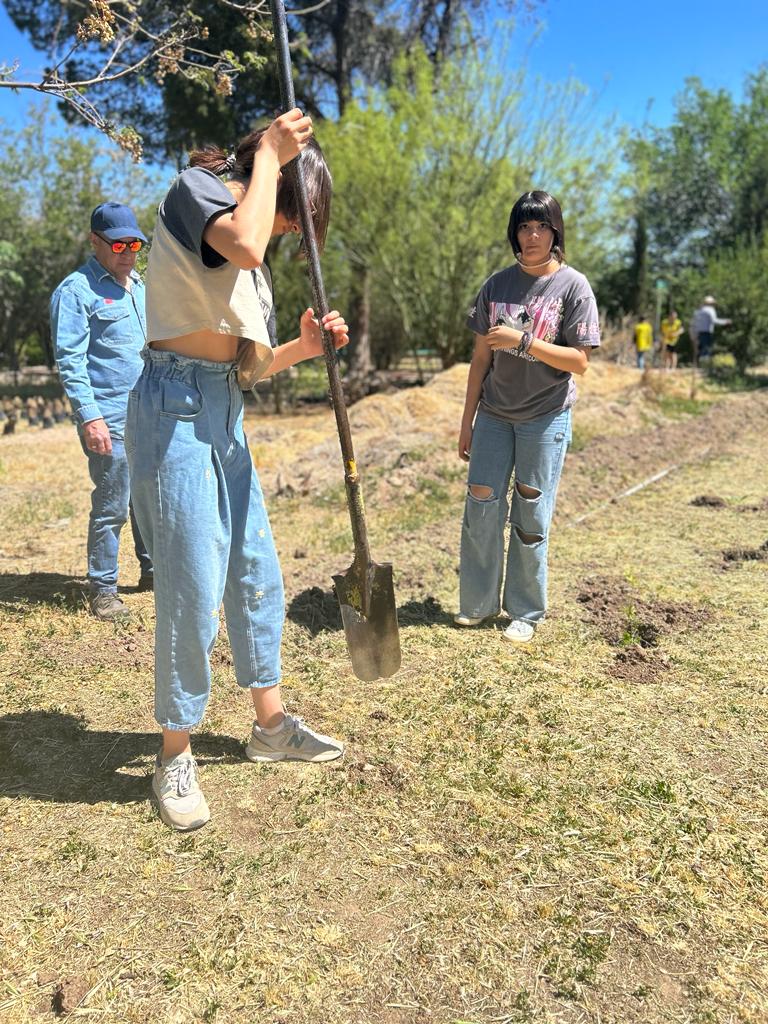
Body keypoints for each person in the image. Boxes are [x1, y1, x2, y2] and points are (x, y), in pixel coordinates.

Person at [126, 108, 349, 832]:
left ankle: (270, 726)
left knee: (256, 571)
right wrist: (272, 156)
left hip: (222, 409)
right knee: (192, 586)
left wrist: (302, 349)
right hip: (173, 406)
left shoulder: (252, 249)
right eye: (295, 216)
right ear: (272, 179)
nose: (288, 233)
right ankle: (174, 752)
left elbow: (245, 368)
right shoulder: (196, 190)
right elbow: (249, 242)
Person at [456, 190, 600, 644]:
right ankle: (477, 603)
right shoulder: (496, 285)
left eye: (541, 227)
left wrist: (523, 342)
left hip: (545, 415)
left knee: (530, 511)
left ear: (555, 233)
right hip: (494, 415)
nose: (532, 236)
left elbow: (580, 361)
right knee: (481, 505)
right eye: (524, 227)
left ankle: (525, 611)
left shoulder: (573, 287)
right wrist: (467, 421)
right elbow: (480, 360)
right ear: (514, 233)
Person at [50, 203, 154, 619]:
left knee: (147, 497)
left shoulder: (140, 286)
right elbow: (70, 361)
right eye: (118, 244)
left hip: (150, 411)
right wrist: (90, 417)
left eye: (135, 244)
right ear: (95, 241)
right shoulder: (75, 292)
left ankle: (152, 571)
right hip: (109, 415)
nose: (127, 253)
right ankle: (104, 589)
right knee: (113, 503)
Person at [690, 295, 730, 361]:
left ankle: (699, 364)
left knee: (699, 350)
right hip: (706, 332)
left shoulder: (698, 310)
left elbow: (694, 323)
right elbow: (714, 320)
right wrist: (725, 322)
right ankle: (704, 364)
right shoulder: (711, 310)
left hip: (698, 333)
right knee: (706, 350)